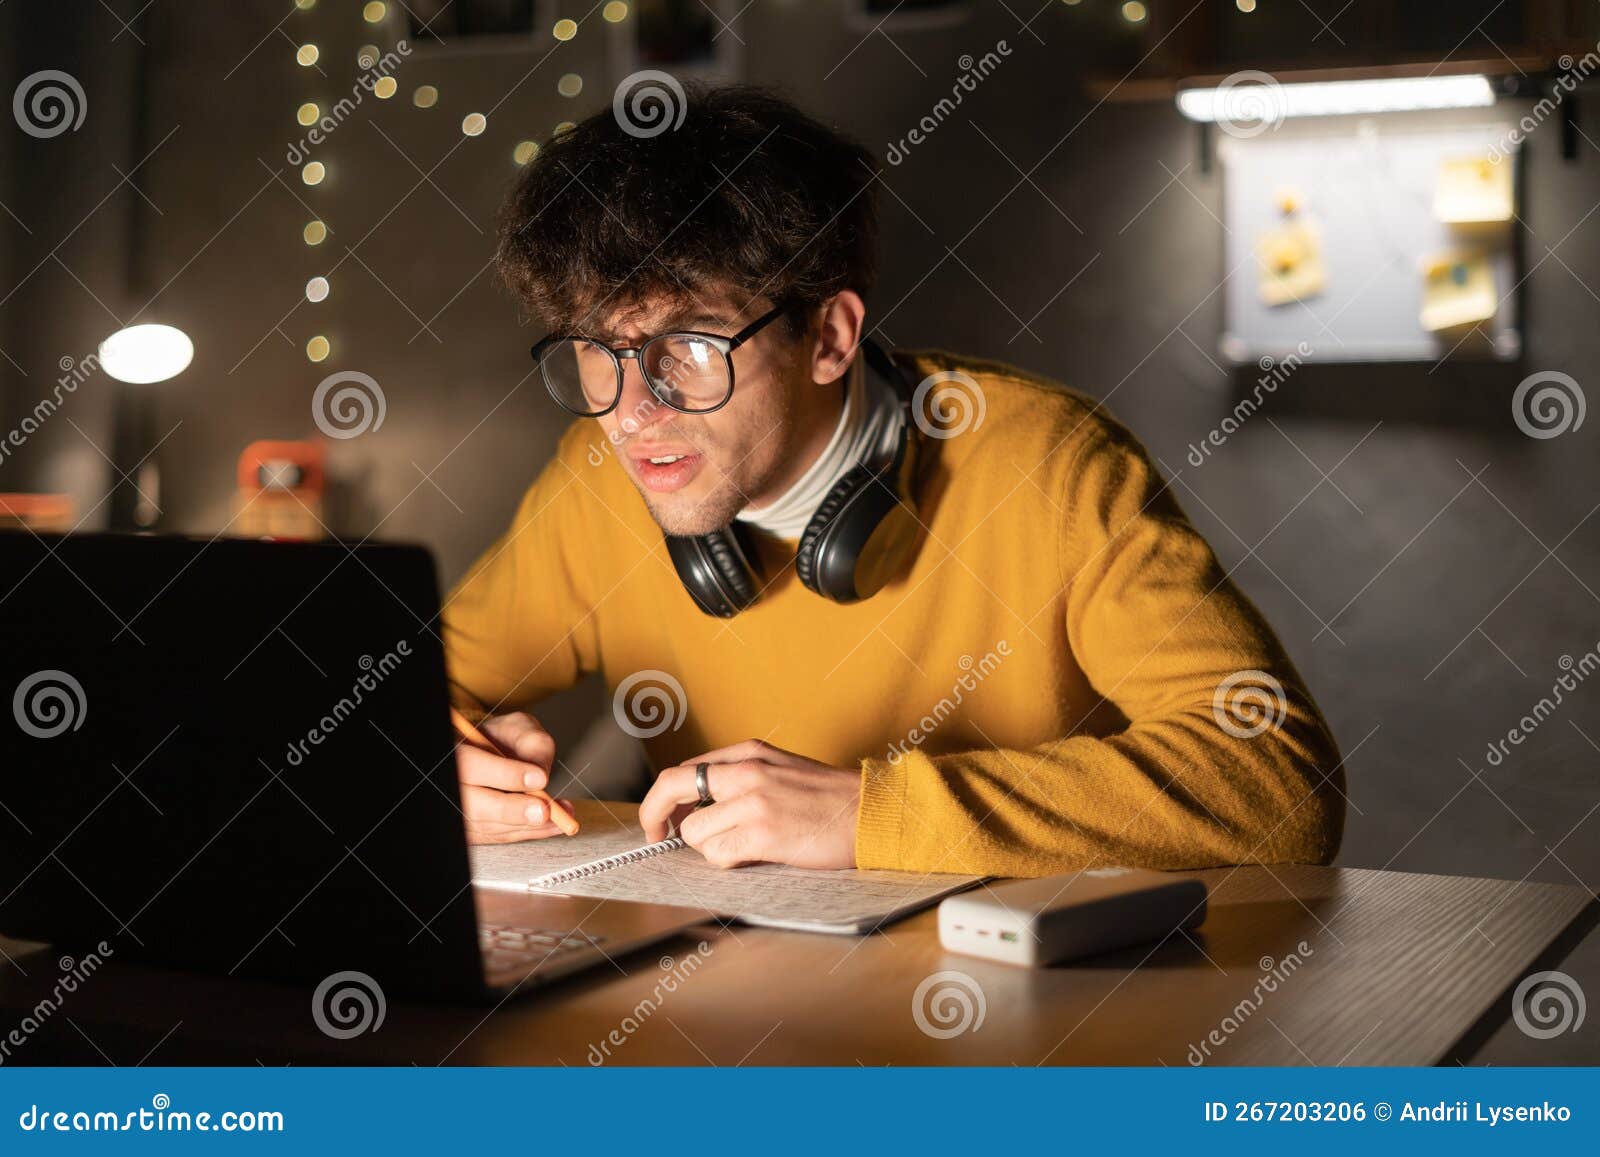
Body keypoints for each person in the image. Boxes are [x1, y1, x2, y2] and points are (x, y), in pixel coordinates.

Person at [441, 85, 1344, 877]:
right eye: (599, 352)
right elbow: (388, 695)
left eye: (691, 344)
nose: (633, 409)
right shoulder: (596, 480)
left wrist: (867, 815)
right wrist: (433, 760)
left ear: (830, 336)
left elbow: (1278, 777)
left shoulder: (1055, 464)